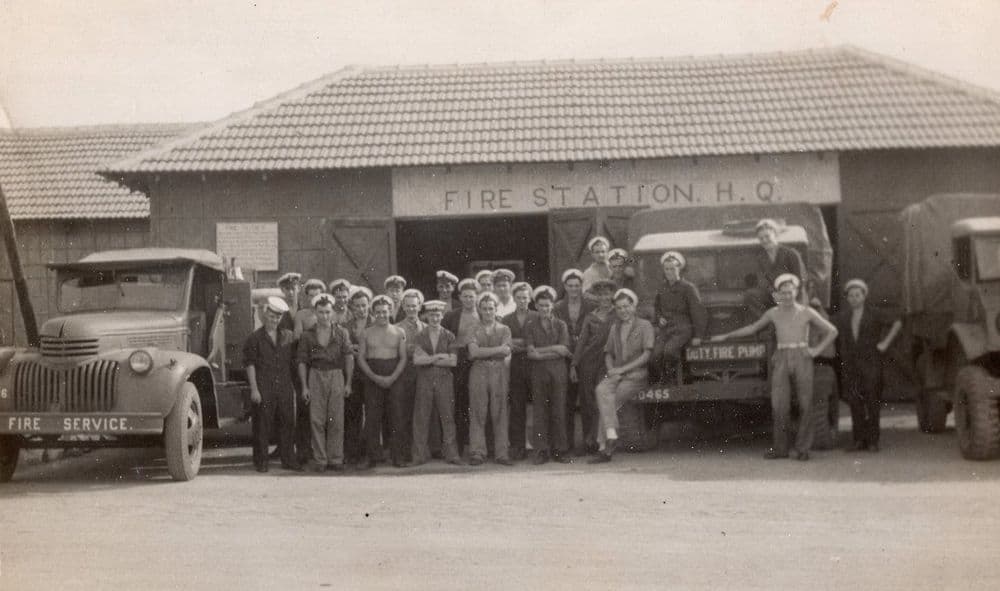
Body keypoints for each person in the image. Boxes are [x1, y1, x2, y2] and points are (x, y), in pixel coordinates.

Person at [712, 273, 838, 461]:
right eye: (783, 292)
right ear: (778, 294)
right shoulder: (773, 313)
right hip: (781, 356)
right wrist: (726, 336)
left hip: (802, 356)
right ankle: (780, 449)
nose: (787, 296)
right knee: (779, 405)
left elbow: (832, 331)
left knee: (806, 404)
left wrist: (815, 351)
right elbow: (753, 328)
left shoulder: (806, 312)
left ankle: (803, 449)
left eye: (790, 292)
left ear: (796, 292)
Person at [832, 279, 902, 453]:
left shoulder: (874, 313)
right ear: (847, 298)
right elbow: (826, 322)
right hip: (851, 365)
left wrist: (885, 343)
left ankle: (873, 441)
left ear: (864, 296)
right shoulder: (843, 316)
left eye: (857, 295)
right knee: (855, 402)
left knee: (872, 401)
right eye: (851, 296)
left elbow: (898, 322)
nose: (854, 298)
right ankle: (858, 441)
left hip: (871, 364)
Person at [589, 288, 655, 464]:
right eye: (619, 308)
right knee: (601, 390)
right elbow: (608, 352)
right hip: (617, 374)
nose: (623, 311)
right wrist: (612, 370)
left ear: (633, 306)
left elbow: (646, 356)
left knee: (610, 400)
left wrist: (622, 370)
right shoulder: (614, 328)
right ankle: (611, 436)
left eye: (626, 306)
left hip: (636, 375)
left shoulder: (644, 326)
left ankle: (604, 447)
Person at [243, 296, 301, 472]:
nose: (274, 320)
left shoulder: (288, 336)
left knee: (287, 423)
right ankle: (261, 461)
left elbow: (294, 361)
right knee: (262, 425)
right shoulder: (254, 338)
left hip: (284, 386)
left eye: (277, 317)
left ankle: (288, 459)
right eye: (271, 316)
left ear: (281, 318)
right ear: (265, 315)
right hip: (264, 386)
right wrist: (254, 389)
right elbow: (250, 364)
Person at [297, 294, 354, 472]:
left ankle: (335, 458)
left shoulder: (342, 332)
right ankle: (320, 459)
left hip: (336, 374)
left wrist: (348, 383)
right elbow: (301, 361)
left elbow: (349, 357)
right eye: (321, 312)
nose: (324, 316)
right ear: (315, 313)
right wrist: (304, 386)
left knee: (336, 419)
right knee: (317, 419)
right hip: (316, 375)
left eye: (328, 312)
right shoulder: (307, 335)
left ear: (333, 313)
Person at [356, 295, 408, 468]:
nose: (381, 315)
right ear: (373, 313)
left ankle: (398, 456)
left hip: (395, 375)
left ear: (390, 311)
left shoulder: (399, 332)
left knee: (397, 416)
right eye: (378, 312)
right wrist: (374, 376)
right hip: (373, 376)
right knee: (372, 417)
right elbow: (361, 358)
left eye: (385, 312)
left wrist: (393, 377)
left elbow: (403, 357)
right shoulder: (366, 333)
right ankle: (372, 456)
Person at [526, 285, 573, 464]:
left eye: (547, 305)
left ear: (552, 305)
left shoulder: (561, 325)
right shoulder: (531, 326)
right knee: (540, 411)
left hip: (558, 372)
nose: (544, 309)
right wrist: (554, 349)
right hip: (538, 373)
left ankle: (560, 450)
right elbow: (531, 353)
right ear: (536, 306)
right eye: (541, 305)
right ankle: (541, 450)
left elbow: (564, 350)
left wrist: (541, 351)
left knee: (559, 410)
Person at [411, 300, 462, 465]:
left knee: (447, 416)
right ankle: (419, 455)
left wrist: (429, 359)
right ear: (426, 316)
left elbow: (453, 361)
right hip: (424, 379)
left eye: (437, 315)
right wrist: (439, 356)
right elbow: (417, 360)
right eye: (431, 315)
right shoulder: (420, 335)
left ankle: (452, 454)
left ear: (442, 316)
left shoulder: (449, 336)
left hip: (444, 379)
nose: (434, 318)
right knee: (421, 417)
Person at [571, 278, 617, 455]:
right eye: (601, 294)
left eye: (607, 294)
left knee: (602, 399)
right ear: (596, 297)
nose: (604, 298)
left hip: (607, 362)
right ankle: (589, 441)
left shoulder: (617, 314)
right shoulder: (590, 317)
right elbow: (582, 342)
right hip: (588, 362)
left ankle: (602, 441)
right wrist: (574, 364)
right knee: (587, 401)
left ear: (612, 295)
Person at [467, 291, 513, 466]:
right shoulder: (473, 328)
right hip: (478, 371)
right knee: (478, 411)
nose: (488, 312)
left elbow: (507, 351)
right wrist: (497, 350)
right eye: (484, 308)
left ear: (496, 309)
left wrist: (484, 352)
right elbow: (473, 352)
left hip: (499, 371)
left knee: (500, 410)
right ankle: (477, 452)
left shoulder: (504, 329)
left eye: (491, 308)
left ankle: (502, 453)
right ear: (479, 309)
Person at [553, 268, 595, 453]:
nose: (574, 289)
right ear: (564, 286)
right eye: (570, 286)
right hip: (565, 357)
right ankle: (567, 443)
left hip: (585, 356)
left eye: (577, 285)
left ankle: (589, 442)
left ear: (581, 286)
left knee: (587, 400)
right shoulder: (557, 307)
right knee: (566, 401)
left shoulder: (591, 305)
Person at [651, 251, 708, 382]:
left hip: (683, 329)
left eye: (672, 268)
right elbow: (657, 307)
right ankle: (664, 379)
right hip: (666, 329)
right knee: (655, 355)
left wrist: (699, 335)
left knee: (670, 352)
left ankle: (676, 379)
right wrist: (659, 317)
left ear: (679, 269)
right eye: (666, 269)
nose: (669, 272)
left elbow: (698, 312)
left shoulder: (688, 288)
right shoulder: (662, 288)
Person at [442, 278, 480, 454]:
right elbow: (443, 339)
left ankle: (479, 444)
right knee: (459, 403)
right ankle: (459, 443)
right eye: (465, 296)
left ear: (477, 297)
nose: (468, 299)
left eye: (471, 296)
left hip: (478, 360)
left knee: (478, 402)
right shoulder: (451, 316)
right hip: (458, 363)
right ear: (460, 297)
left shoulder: (483, 313)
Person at [744, 218, 808, 316]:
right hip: (773, 294)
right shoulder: (761, 258)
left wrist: (787, 293)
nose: (764, 240)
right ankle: (769, 319)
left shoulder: (791, 254)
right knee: (750, 295)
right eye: (761, 238)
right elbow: (762, 281)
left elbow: (801, 279)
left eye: (767, 236)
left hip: (793, 293)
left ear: (776, 235)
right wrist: (774, 293)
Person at [502, 281, 536, 461]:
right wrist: (524, 343)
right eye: (519, 297)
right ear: (514, 298)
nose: (522, 300)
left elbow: (537, 341)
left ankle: (537, 444)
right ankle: (518, 446)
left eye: (525, 297)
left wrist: (519, 343)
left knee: (537, 405)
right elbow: (506, 342)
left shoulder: (536, 316)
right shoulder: (507, 319)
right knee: (517, 406)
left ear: (530, 299)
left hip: (535, 366)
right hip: (515, 366)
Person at [394, 288, 427, 463]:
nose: (411, 309)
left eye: (414, 306)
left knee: (422, 414)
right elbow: (396, 351)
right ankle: (405, 451)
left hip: (424, 375)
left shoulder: (427, 328)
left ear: (420, 306)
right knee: (404, 414)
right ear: (403, 307)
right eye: (407, 306)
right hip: (404, 376)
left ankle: (421, 451)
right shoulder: (397, 328)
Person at [343, 285, 373, 465]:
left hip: (371, 374)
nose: (361, 309)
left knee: (371, 414)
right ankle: (352, 453)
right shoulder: (346, 326)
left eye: (364, 305)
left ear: (369, 305)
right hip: (353, 376)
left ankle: (369, 452)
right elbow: (344, 349)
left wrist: (359, 350)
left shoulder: (376, 323)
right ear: (351, 307)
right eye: (357, 306)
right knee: (353, 414)